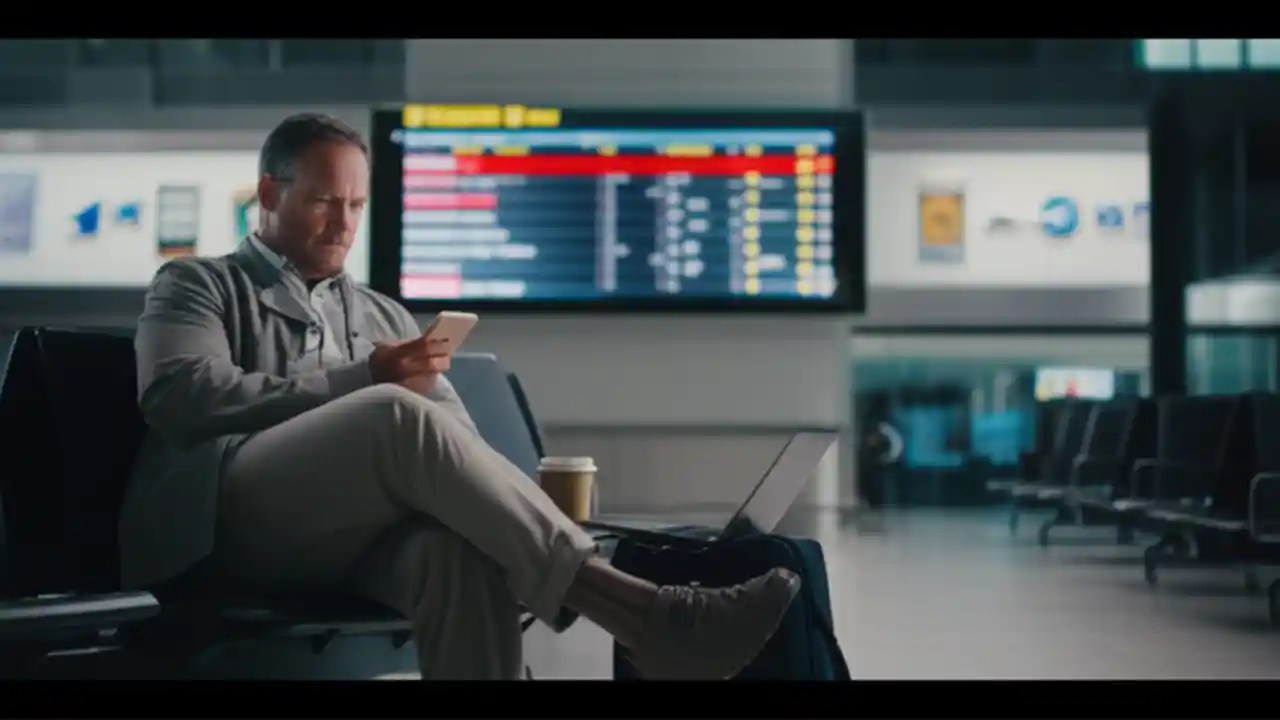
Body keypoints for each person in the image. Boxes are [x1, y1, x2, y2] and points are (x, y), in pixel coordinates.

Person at [118, 113, 800, 680]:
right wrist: (364, 380)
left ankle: (653, 623)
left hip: (354, 538)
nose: (343, 224)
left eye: (356, 205)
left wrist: (498, 503)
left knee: (460, 557)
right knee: (390, 411)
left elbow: (451, 440)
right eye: (324, 201)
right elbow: (180, 394)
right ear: (268, 193)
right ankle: (651, 618)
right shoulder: (196, 285)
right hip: (228, 525)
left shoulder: (384, 315)